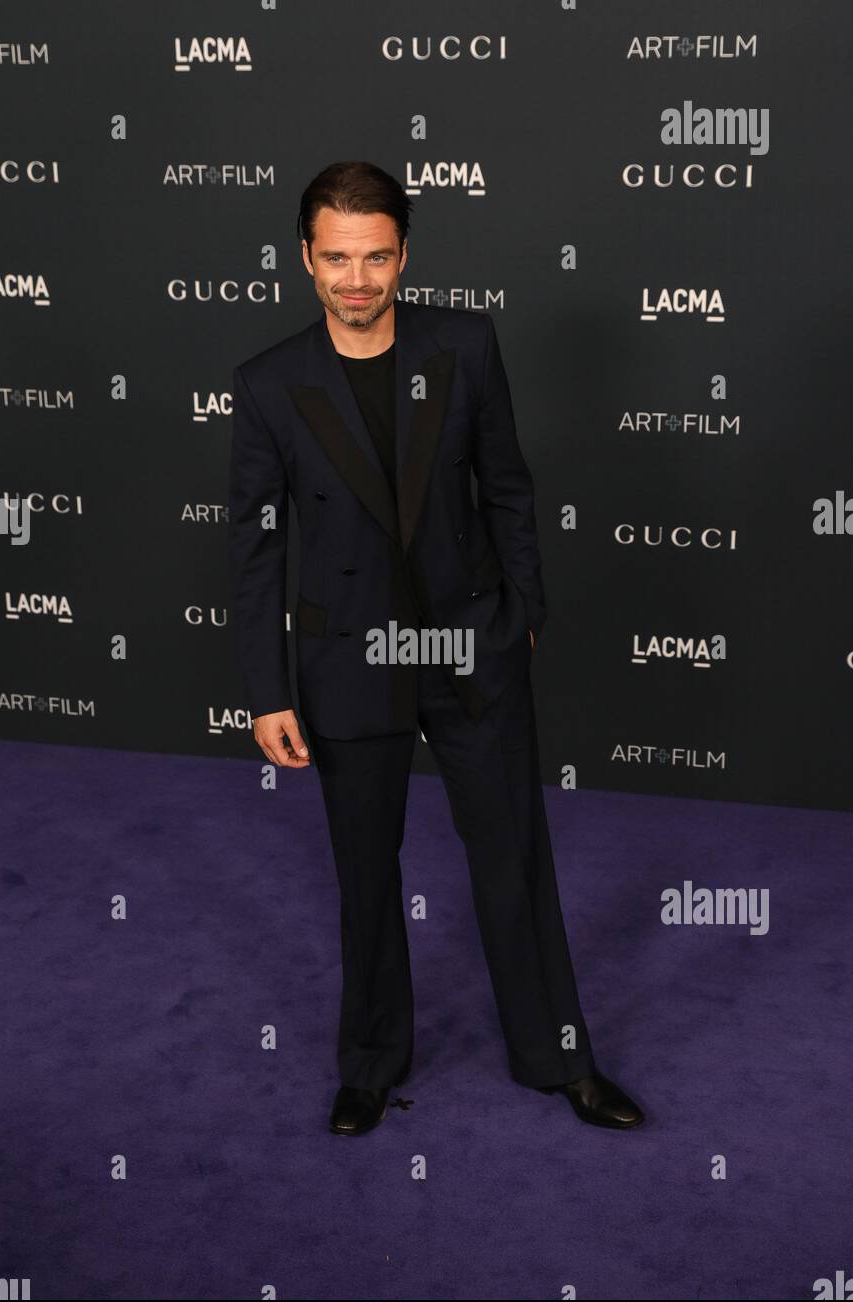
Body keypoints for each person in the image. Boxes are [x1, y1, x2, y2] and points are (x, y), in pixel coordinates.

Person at [228, 161, 644, 1136]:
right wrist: (265, 687)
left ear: (403, 255)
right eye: (337, 258)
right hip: (344, 664)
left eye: (376, 257)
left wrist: (522, 609)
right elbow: (255, 549)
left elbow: (507, 484)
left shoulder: (464, 343)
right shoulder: (269, 383)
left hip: (470, 644)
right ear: (304, 260)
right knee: (364, 870)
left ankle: (560, 1059)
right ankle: (369, 1062)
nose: (358, 278)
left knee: (512, 859)